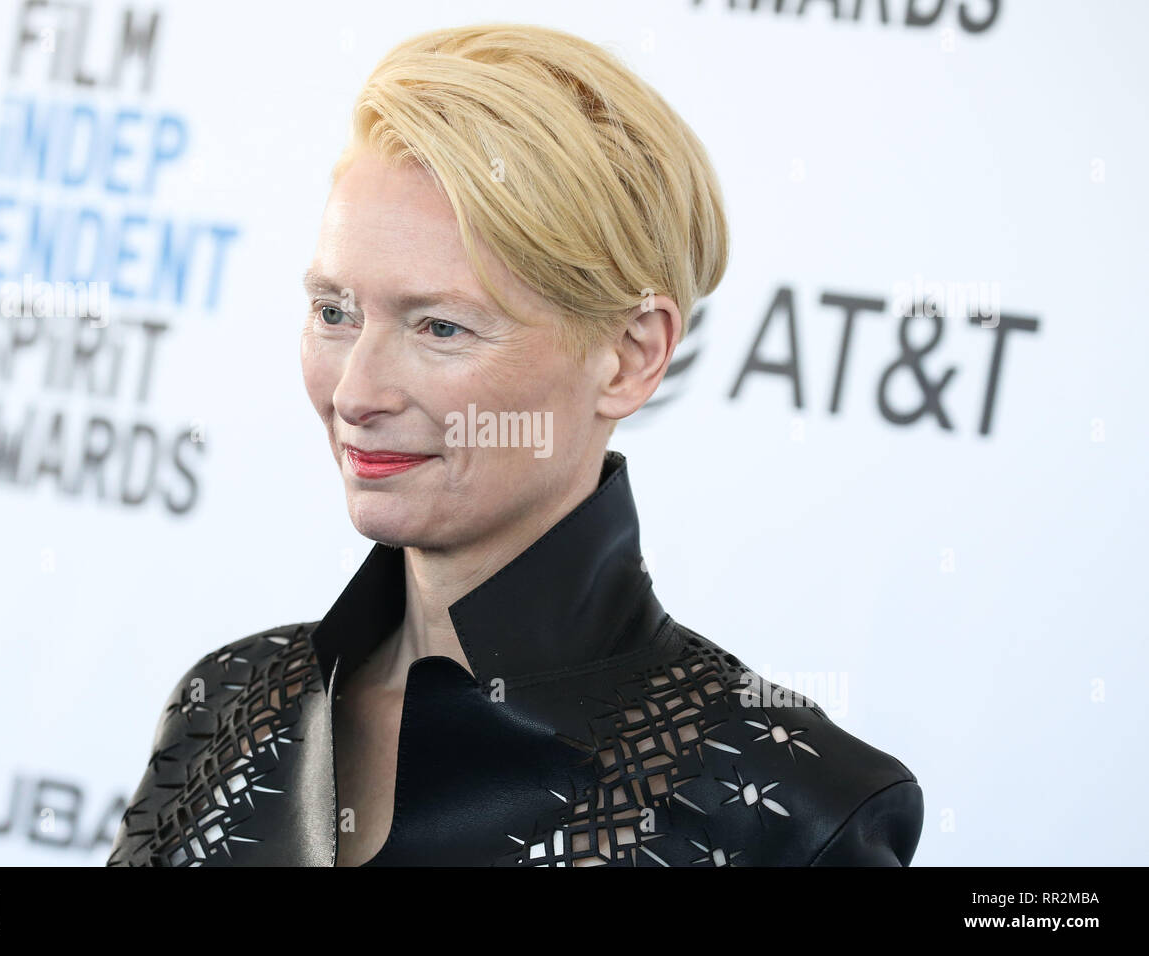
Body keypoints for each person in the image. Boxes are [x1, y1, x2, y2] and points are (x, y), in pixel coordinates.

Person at [109, 22, 922, 867]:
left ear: (630, 356)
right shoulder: (227, 705)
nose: (356, 393)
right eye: (335, 312)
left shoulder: (787, 811)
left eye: (442, 326)